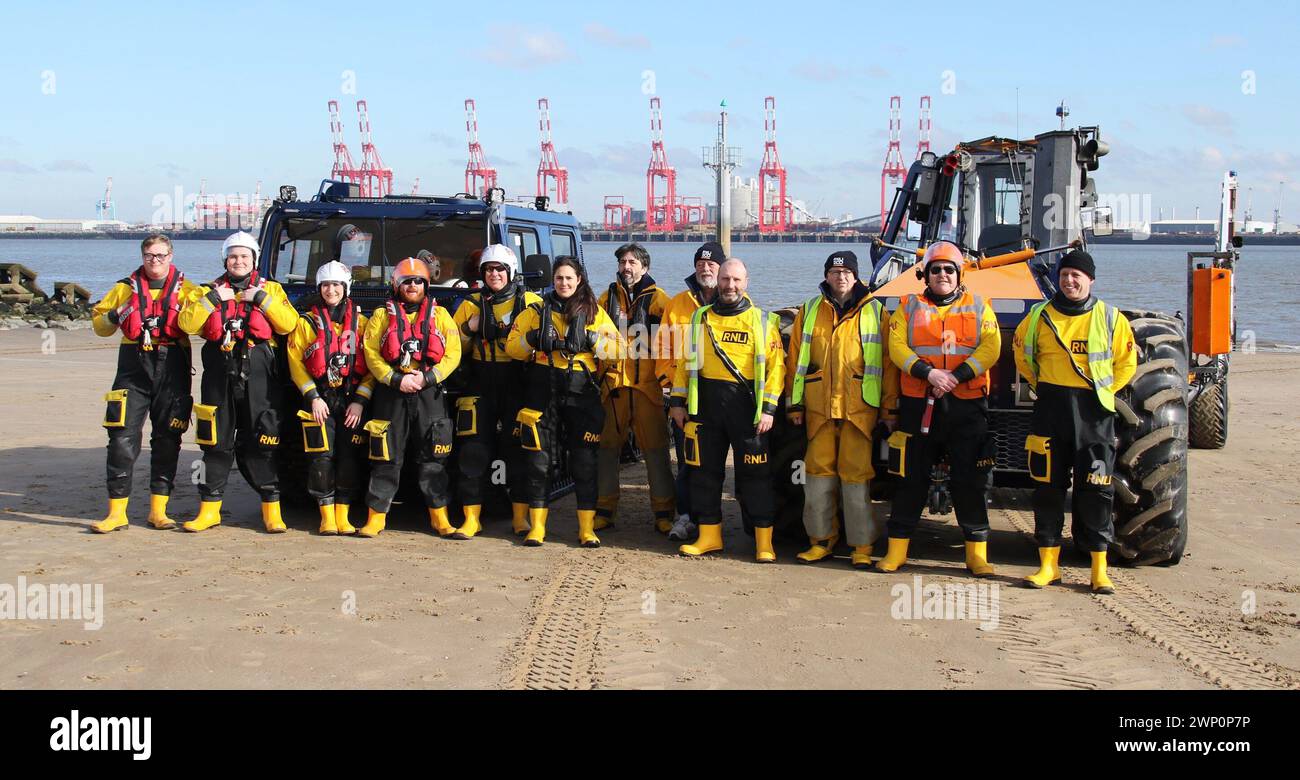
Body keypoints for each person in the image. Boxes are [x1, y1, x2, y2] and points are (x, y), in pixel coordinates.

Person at [1014, 249, 1136, 594]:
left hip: (1095, 413)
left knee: (1097, 490)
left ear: (1090, 280)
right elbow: (1023, 355)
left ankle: (1099, 570)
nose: (1069, 281)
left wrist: (1104, 391)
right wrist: (1043, 386)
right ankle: (1048, 567)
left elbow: (1126, 363)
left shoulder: (1111, 318)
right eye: (1064, 274)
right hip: (1050, 411)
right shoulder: (1038, 316)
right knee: (1048, 490)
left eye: (1076, 276)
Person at [876, 240, 1001, 575]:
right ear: (925, 274)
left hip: (966, 405)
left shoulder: (979, 306)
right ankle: (897, 550)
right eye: (936, 269)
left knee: (971, 480)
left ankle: (976, 554)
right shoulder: (907, 307)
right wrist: (928, 372)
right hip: (921, 405)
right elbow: (896, 347)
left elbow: (991, 347)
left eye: (948, 269)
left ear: (959, 274)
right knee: (910, 478)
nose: (942, 274)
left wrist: (956, 376)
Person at [177, 231, 300, 533]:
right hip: (220, 377)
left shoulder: (270, 289)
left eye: (245, 256)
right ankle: (209, 509)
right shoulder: (208, 290)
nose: (239, 261)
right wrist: (213, 300)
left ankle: (271, 508)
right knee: (215, 443)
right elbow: (186, 323)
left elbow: (288, 324)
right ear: (225, 260)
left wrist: (261, 299)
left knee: (263, 440)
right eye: (233, 256)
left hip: (259, 378)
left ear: (253, 259)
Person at [785, 251, 897, 568]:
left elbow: (888, 366)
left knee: (856, 479)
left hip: (859, 413)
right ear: (826, 276)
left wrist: (889, 410)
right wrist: (794, 405)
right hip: (818, 412)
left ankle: (862, 546)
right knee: (817, 478)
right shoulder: (809, 311)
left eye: (847, 272)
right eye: (834, 272)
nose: (841, 277)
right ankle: (820, 542)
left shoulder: (875, 312)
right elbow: (795, 362)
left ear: (856, 275)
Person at [669, 259, 784, 563]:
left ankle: (763, 541)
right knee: (704, 475)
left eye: (736, 280)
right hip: (705, 409)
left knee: (756, 477)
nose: (729, 286)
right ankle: (709, 536)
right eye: (725, 279)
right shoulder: (699, 318)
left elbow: (776, 369)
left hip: (748, 411)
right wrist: (677, 403)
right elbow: (685, 363)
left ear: (746, 282)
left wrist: (769, 409)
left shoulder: (762, 321)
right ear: (717, 280)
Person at [506, 256, 623, 547]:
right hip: (542, 389)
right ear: (553, 280)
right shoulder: (536, 310)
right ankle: (537, 527)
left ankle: (586, 529)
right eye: (559, 278)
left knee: (584, 462)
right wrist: (533, 338)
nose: (564, 283)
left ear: (579, 280)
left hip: (581, 391)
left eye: (569, 278)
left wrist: (592, 339)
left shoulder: (594, 312)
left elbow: (620, 350)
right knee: (538, 461)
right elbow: (512, 348)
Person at [90, 234, 198, 532]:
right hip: (133, 366)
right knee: (121, 438)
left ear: (171, 257)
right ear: (142, 256)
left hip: (173, 363)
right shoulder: (123, 289)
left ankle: (158, 511)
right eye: (150, 255)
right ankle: (116, 512)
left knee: (168, 439)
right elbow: (100, 327)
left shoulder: (188, 290)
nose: (155, 261)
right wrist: (115, 314)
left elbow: (199, 323)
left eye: (161, 255)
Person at [356, 257, 463, 538]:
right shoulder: (381, 316)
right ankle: (376, 518)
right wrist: (395, 379)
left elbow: (453, 354)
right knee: (385, 457)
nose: (412, 285)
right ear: (397, 285)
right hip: (392, 393)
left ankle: (440, 519)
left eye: (418, 281)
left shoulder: (440, 317)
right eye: (407, 281)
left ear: (426, 285)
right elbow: (371, 353)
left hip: (429, 393)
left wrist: (427, 378)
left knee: (434, 456)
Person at [449, 244, 542, 539]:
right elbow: (453, 347)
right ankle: (471, 518)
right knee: (473, 451)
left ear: (510, 271)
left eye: (500, 269)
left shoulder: (531, 302)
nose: (494, 274)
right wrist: (468, 327)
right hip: (480, 381)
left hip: (517, 382)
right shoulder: (470, 304)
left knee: (516, 451)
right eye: (489, 269)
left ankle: (519, 517)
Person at [286, 260, 374, 536]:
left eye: (336, 285)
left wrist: (360, 401)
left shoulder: (364, 324)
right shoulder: (306, 323)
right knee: (321, 457)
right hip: (319, 399)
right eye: (326, 285)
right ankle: (326, 515)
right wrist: (312, 397)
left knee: (349, 458)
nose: (331, 290)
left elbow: (372, 365)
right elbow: (296, 364)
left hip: (351, 400)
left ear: (346, 287)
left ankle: (343, 514)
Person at [596, 243, 675, 534]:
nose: (626, 267)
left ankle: (664, 511)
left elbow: (672, 345)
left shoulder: (660, 301)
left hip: (646, 389)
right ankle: (604, 509)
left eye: (632, 261)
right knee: (606, 450)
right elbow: (595, 338)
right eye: (622, 262)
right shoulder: (606, 299)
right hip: (613, 388)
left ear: (645, 266)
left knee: (656, 451)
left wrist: (670, 384)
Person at [657, 241, 725, 541]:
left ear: (722, 268)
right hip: (686, 400)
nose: (705, 267)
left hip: (723, 400)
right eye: (700, 263)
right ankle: (685, 517)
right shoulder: (677, 304)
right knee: (687, 462)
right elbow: (662, 349)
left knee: (716, 464)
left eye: (711, 263)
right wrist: (673, 393)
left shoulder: (738, 301)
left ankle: (713, 520)